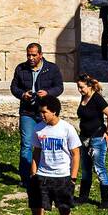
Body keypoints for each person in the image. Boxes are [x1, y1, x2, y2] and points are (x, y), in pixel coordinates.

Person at [29, 96, 81, 215]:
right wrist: (33, 173)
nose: (42, 115)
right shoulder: (38, 129)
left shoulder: (67, 129)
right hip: (42, 176)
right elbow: (36, 152)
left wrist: (72, 177)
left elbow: (75, 154)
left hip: (61, 176)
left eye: (45, 112)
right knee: (38, 210)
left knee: (64, 210)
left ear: (54, 111)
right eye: (40, 112)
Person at [10, 41, 63, 181]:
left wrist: (48, 93)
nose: (31, 58)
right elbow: (14, 87)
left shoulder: (52, 69)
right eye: (28, 55)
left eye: (34, 55)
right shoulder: (21, 69)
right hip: (27, 111)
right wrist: (22, 94)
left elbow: (59, 87)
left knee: (46, 143)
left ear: (40, 55)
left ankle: (44, 173)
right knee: (27, 144)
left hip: (45, 111)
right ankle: (26, 178)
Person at [76, 75, 108, 208]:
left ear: (89, 86)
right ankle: (83, 196)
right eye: (78, 87)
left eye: (81, 87)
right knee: (86, 168)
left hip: (97, 138)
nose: (79, 90)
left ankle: (106, 201)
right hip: (84, 138)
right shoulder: (84, 97)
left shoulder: (97, 98)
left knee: (99, 168)